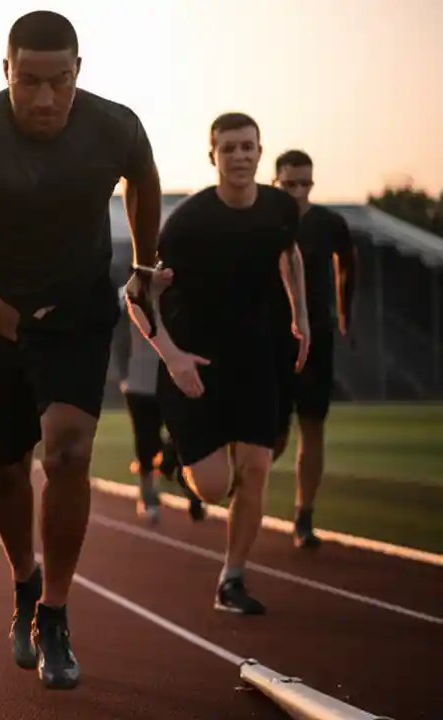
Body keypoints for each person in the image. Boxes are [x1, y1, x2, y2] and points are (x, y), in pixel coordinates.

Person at [0, 10, 164, 690]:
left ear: (78, 74)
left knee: (67, 450)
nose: (43, 98)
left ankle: (54, 613)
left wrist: (146, 266)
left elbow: (143, 177)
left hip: (79, 311)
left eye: (58, 81)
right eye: (27, 81)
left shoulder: (114, 125)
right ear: (6, 72)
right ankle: (24, 582)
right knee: (9, 466)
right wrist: (12, 324)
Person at [140, 112, 310, 616]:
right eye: (228, 148)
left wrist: (302, 318)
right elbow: (135, 294)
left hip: (256, 359)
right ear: (212, 155)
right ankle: (175, 457)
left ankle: (231, 579)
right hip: (194, 361)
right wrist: (172, 358)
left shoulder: (280, 208)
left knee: (256, 468)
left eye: (247, 147)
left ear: (261, 153)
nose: (239, 156)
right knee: (214, 489)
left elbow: (291, 255)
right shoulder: (188, 224)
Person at [271, 150, 358, 549]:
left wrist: (344, 311)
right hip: (270, 337)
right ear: (276, 182)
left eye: (305, 183)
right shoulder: (263, 220)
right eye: (290, 184)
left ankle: (304, 516)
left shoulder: (329, 223)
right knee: (272, 435)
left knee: (313, 425)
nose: (299, 191)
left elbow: (347, 263)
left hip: (317, 336)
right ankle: (242, 484)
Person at [114, 287, 206, 523]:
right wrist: (123, 372)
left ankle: (190, 488)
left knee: (184, 437)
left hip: (174, 379)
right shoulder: (130, 294)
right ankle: (147, 495)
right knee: (146, 443)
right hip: (139, 380)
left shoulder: (181, 293)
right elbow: (119, 336)